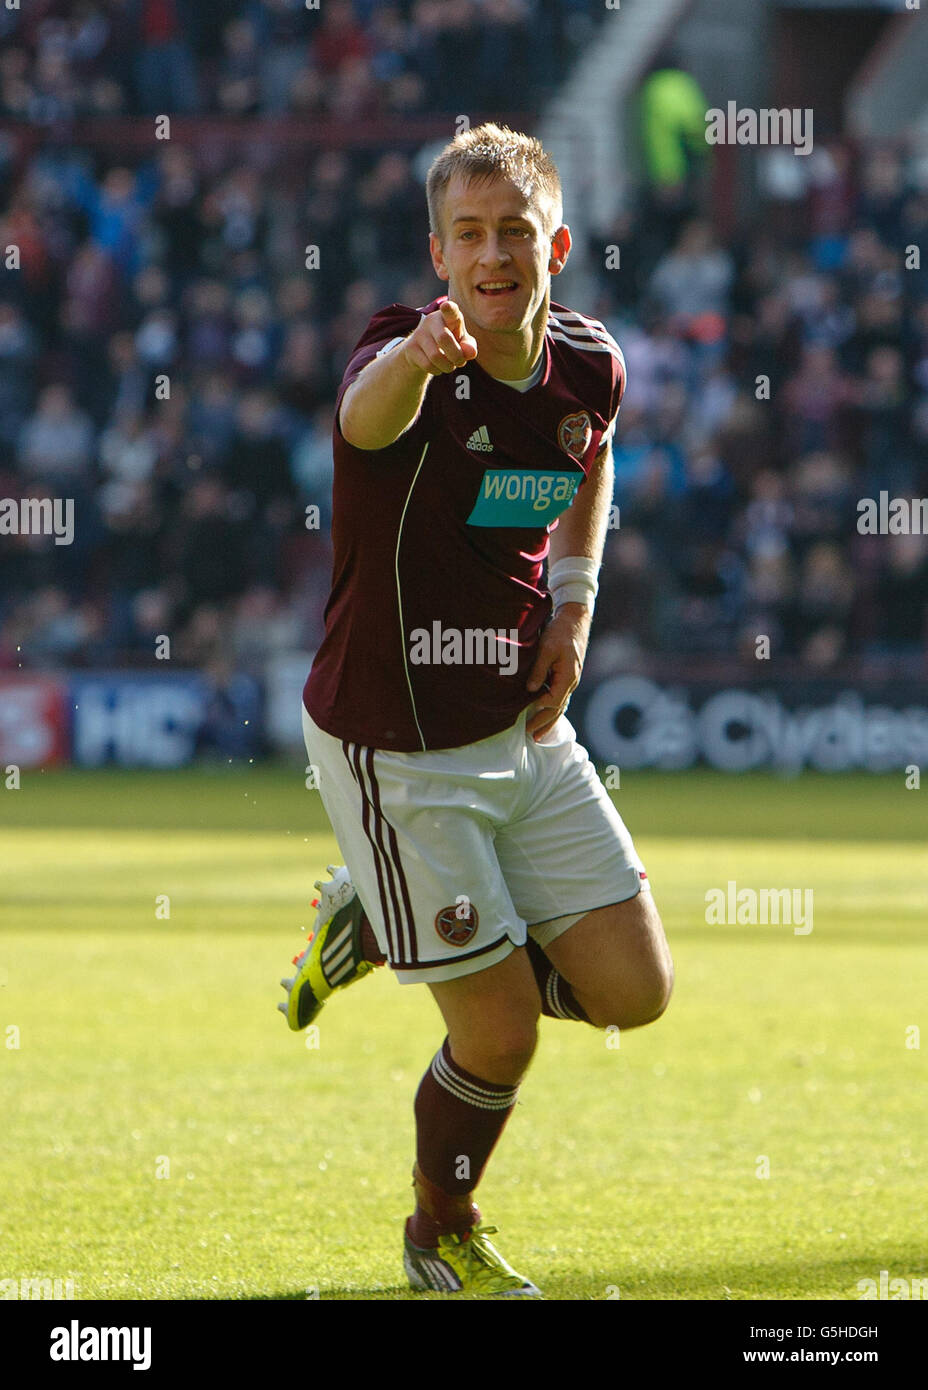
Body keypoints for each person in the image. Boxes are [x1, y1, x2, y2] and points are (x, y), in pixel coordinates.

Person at [277, 123, 674, 1298]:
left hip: (520, 723)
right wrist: (416, 357)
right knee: (500, 1031)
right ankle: (437, 1230)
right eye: (468, 235)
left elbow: (589, 457)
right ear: (438, 255)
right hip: (394, 745)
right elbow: (363, 417)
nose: (492, 254)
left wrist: (575, 604)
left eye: (514, 231)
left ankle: (378, 919)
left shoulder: (590, 365)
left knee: (635, 993)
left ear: (557, 245)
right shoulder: (402, 352)